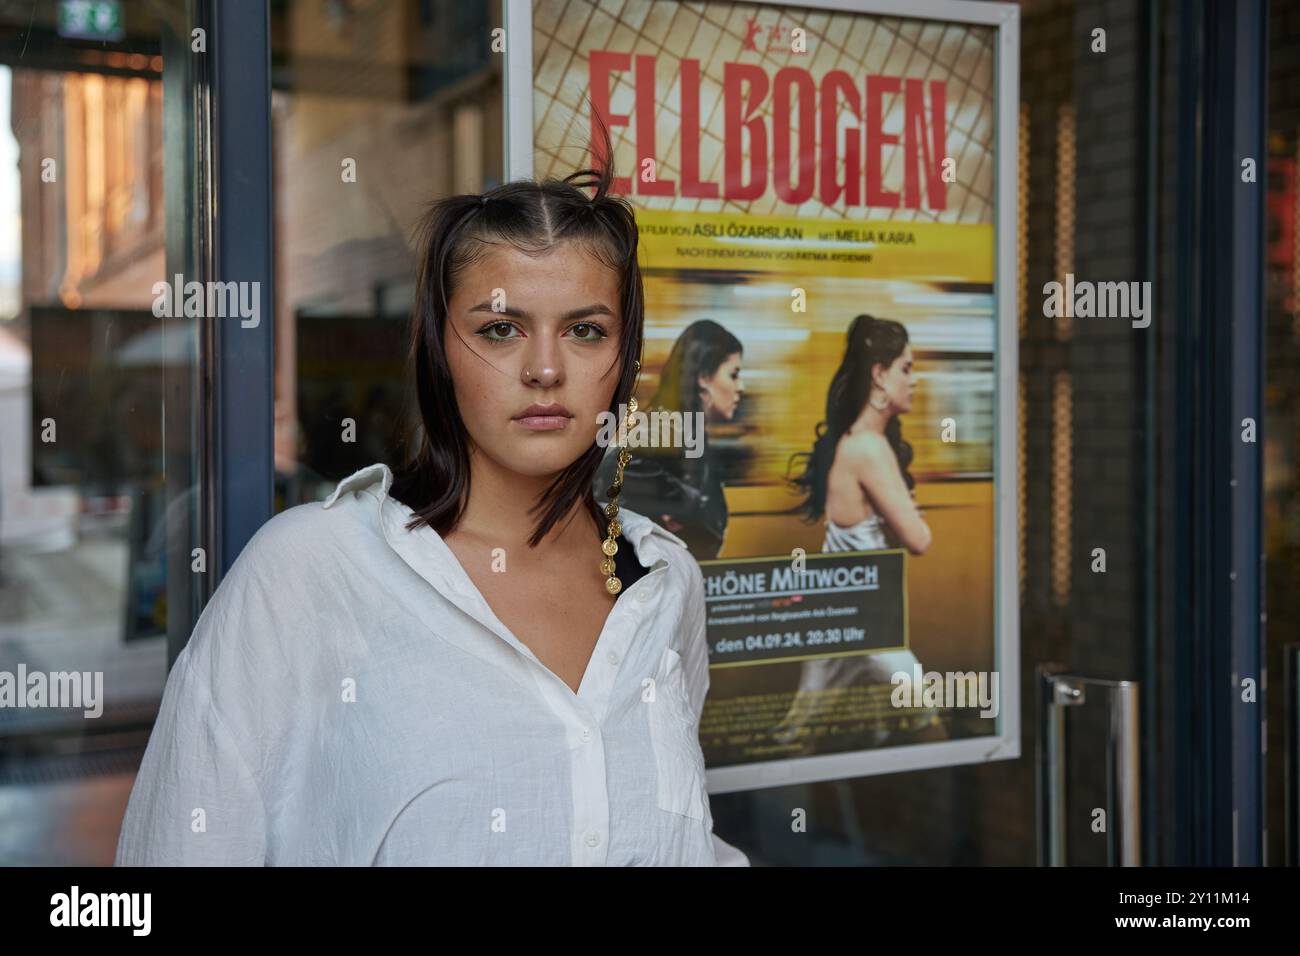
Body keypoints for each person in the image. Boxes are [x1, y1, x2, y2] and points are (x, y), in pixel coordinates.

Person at [113, 154, 749, 866]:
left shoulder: (665, 583)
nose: (545, 368)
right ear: (441, 350)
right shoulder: (311, 571)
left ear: (625, 358)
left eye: (585, 330)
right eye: (501, 329)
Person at [775, 314, 942, 750]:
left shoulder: (855, 443)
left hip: (843, 610)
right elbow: (919, 538)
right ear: (880, 376)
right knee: (923, 711)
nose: (915, 380)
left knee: (802, 728)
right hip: (863, 620)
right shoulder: (868, 448)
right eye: (907, 368)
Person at [594, 319, 743, 561]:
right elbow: (615, 467)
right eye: (734, 375)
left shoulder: (687, 428)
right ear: (704, 377)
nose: (740, 387)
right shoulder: (671, 425)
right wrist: (686, 506)